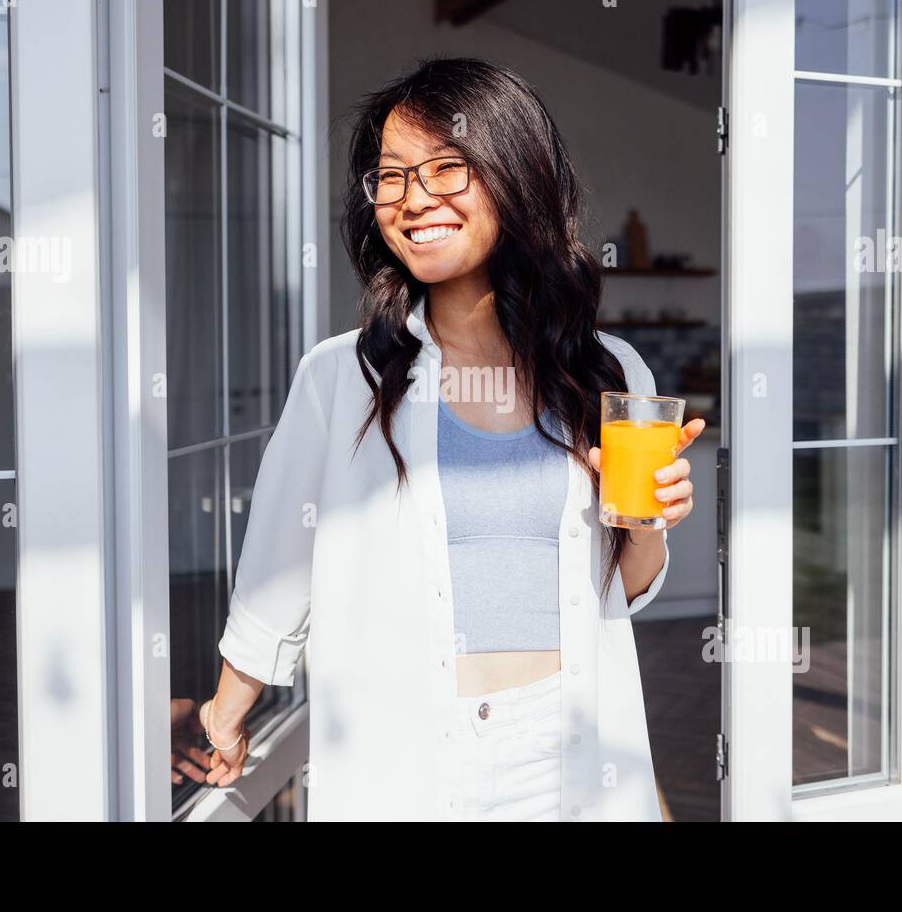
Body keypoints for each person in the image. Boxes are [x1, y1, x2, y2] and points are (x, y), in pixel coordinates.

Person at [198, 57, 704, 821]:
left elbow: (624, 585)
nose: (412, 198)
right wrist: (225, 710)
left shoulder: (607, 372)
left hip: (569, 745)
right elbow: (278, 563)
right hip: (407, 754)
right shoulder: (342, 377)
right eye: (391, 177)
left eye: (445, 168)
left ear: (516, 174)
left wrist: (647, 524)